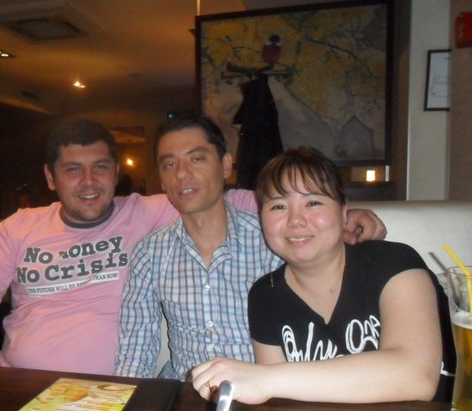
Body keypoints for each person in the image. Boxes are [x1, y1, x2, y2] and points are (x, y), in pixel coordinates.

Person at [0, 118, 383, 375]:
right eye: (72, 170)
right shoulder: (20, 227)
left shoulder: (147, 212)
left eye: (101, 168)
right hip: (18, 383)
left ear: (118, 172)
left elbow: (231, 198)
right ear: (50, 177)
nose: (89, 182)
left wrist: (337, 217)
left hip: (107, 390)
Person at [115, 115, 387, 380]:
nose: (182, 173)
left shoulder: (276, 238)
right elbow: (136, 347)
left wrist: (342, 222)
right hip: (187, 394)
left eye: (196, 159)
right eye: (169, 164)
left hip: (265, 390)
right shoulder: (150, 253)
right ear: (162, 180)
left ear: (225, 165)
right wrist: (128, 405)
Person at [191, 147, 455, 403]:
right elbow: (280, 406)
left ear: (343, 212)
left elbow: (416, 376)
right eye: (278, 206)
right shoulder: (265, 296)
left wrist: (264, 379)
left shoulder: (393, 263)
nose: (296, 220)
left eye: (313, 202)